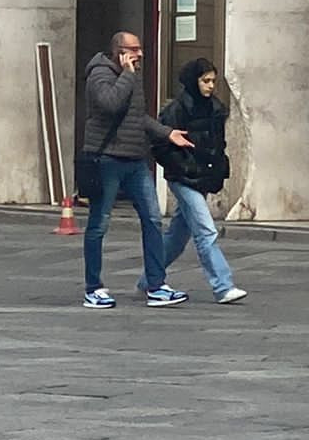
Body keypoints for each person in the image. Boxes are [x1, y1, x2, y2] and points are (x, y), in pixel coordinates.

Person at [80, 30, 194, 309]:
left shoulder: (131, 75)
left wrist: (166, 133)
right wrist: (128, 75)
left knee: (152, 218)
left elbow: (135, 116)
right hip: (105, 159)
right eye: (134, 49)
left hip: (134, 160)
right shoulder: (99, 74)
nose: (140, 54)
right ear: (119, 51)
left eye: (140, 49)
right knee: (99, 224)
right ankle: (93, 288)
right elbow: (110, 104)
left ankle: (156, 285)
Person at [154, 58, 246, 305]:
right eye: (205, 81)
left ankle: (149, 279)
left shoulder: (216, 108)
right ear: (194, 81)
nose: (210, 86)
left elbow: (218, 145)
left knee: (176, 237)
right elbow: (161, 145)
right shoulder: (177, 110)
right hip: (182, 178)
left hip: (202, 177)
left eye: (213, 81)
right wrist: (182, 166)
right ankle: (223, 285)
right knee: (206, 229)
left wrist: (216, 169)